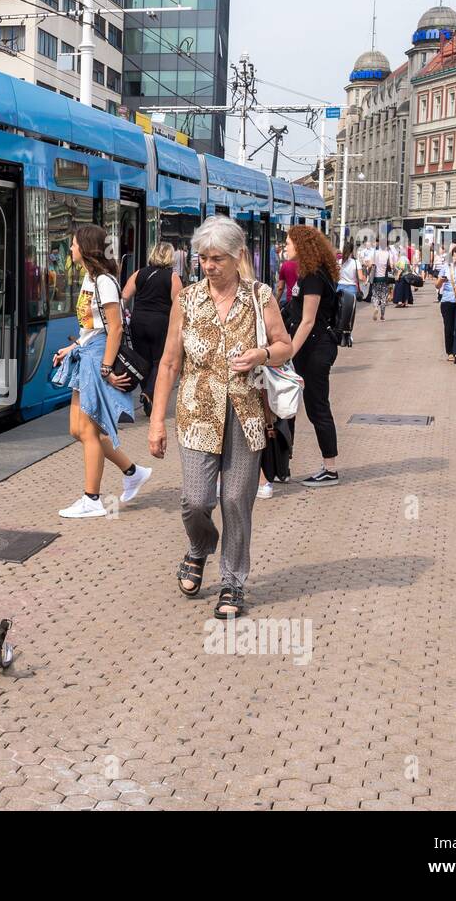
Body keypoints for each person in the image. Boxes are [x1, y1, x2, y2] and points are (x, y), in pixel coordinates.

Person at [147, 216, 293, 618]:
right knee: (196, 501)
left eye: (217, 259)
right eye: (203, 258)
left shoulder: (259, 296)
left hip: (246, 415)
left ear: (237, 257)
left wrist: (262, 355)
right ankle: (198, 548)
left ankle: (232, 582)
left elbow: (285, 346)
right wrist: (157, 420)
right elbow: (170, 362)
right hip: (196, 414)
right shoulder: (188, 299)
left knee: (235, 500)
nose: (208, 266)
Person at [51, 225, 150, 518]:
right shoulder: (89, 278)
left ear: (85, 247)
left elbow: (115, 327)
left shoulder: (105, 282)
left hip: (98, 359)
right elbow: (92, 327)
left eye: (73, 244)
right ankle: (133, 472)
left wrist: (106, 367)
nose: (70, 249)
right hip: (88, 353)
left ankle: (92, 499)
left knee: (88, 430)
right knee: (78, 429)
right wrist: (72, 349)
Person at [284, 226, 343, 487]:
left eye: (288, 243)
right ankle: (281, 465)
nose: (283, 247)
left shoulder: (312, 276)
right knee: (293, 406)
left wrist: (288, 352)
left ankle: (330, 469)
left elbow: (307, 321)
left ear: (301, 245)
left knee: (317, 406)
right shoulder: (311, 273)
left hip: (315, 348)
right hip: (312, 346)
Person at [121, 241, 183, 417]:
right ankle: (148, 393)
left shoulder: (139, 273)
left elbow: (124, 296)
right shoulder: (173, 277)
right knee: (159, 361)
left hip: (138, 321)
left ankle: (149, 401)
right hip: (161, 323)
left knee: (142, 361)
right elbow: (179, 305)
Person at [369, 239, 395, 321]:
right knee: (384, 297)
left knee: (375, 295)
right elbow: (391, 265)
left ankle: (376, 307)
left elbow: (370, 264)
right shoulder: (388, 254)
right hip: (385, 278)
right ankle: (382, 316)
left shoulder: (375, 253)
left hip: (375, 278)